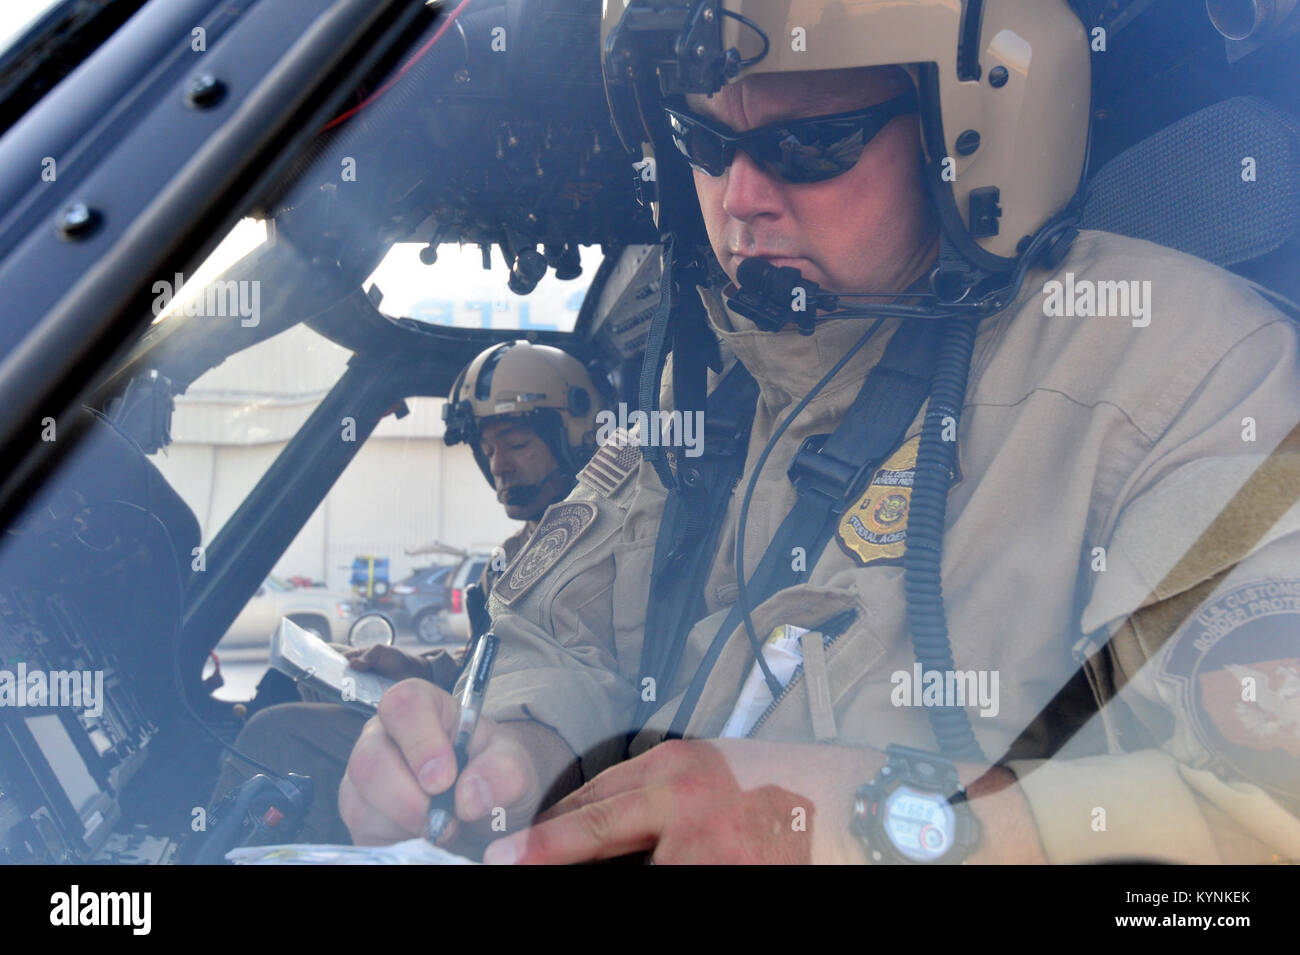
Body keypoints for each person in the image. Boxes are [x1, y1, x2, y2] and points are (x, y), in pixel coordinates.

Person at [338, 0, 1300, 864]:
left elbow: (1264, 819)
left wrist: (876, 824)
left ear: (979, 135)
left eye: (811, 147)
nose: (740, 197)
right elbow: (574, 638)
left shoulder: (1190, 370)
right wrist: (513, 752)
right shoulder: (713, 377)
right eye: (704, 146)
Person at [208, 340, 606, 843]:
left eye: (517, 444)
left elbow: (584, 674)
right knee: (285, 688)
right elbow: (488, 660)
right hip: (467, 727)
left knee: (275, 733)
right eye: (488, 450)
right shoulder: (513, 552)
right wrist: (418, 670)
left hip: (510, 755)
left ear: (572, 433)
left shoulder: (600, 543)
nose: (500, 465)